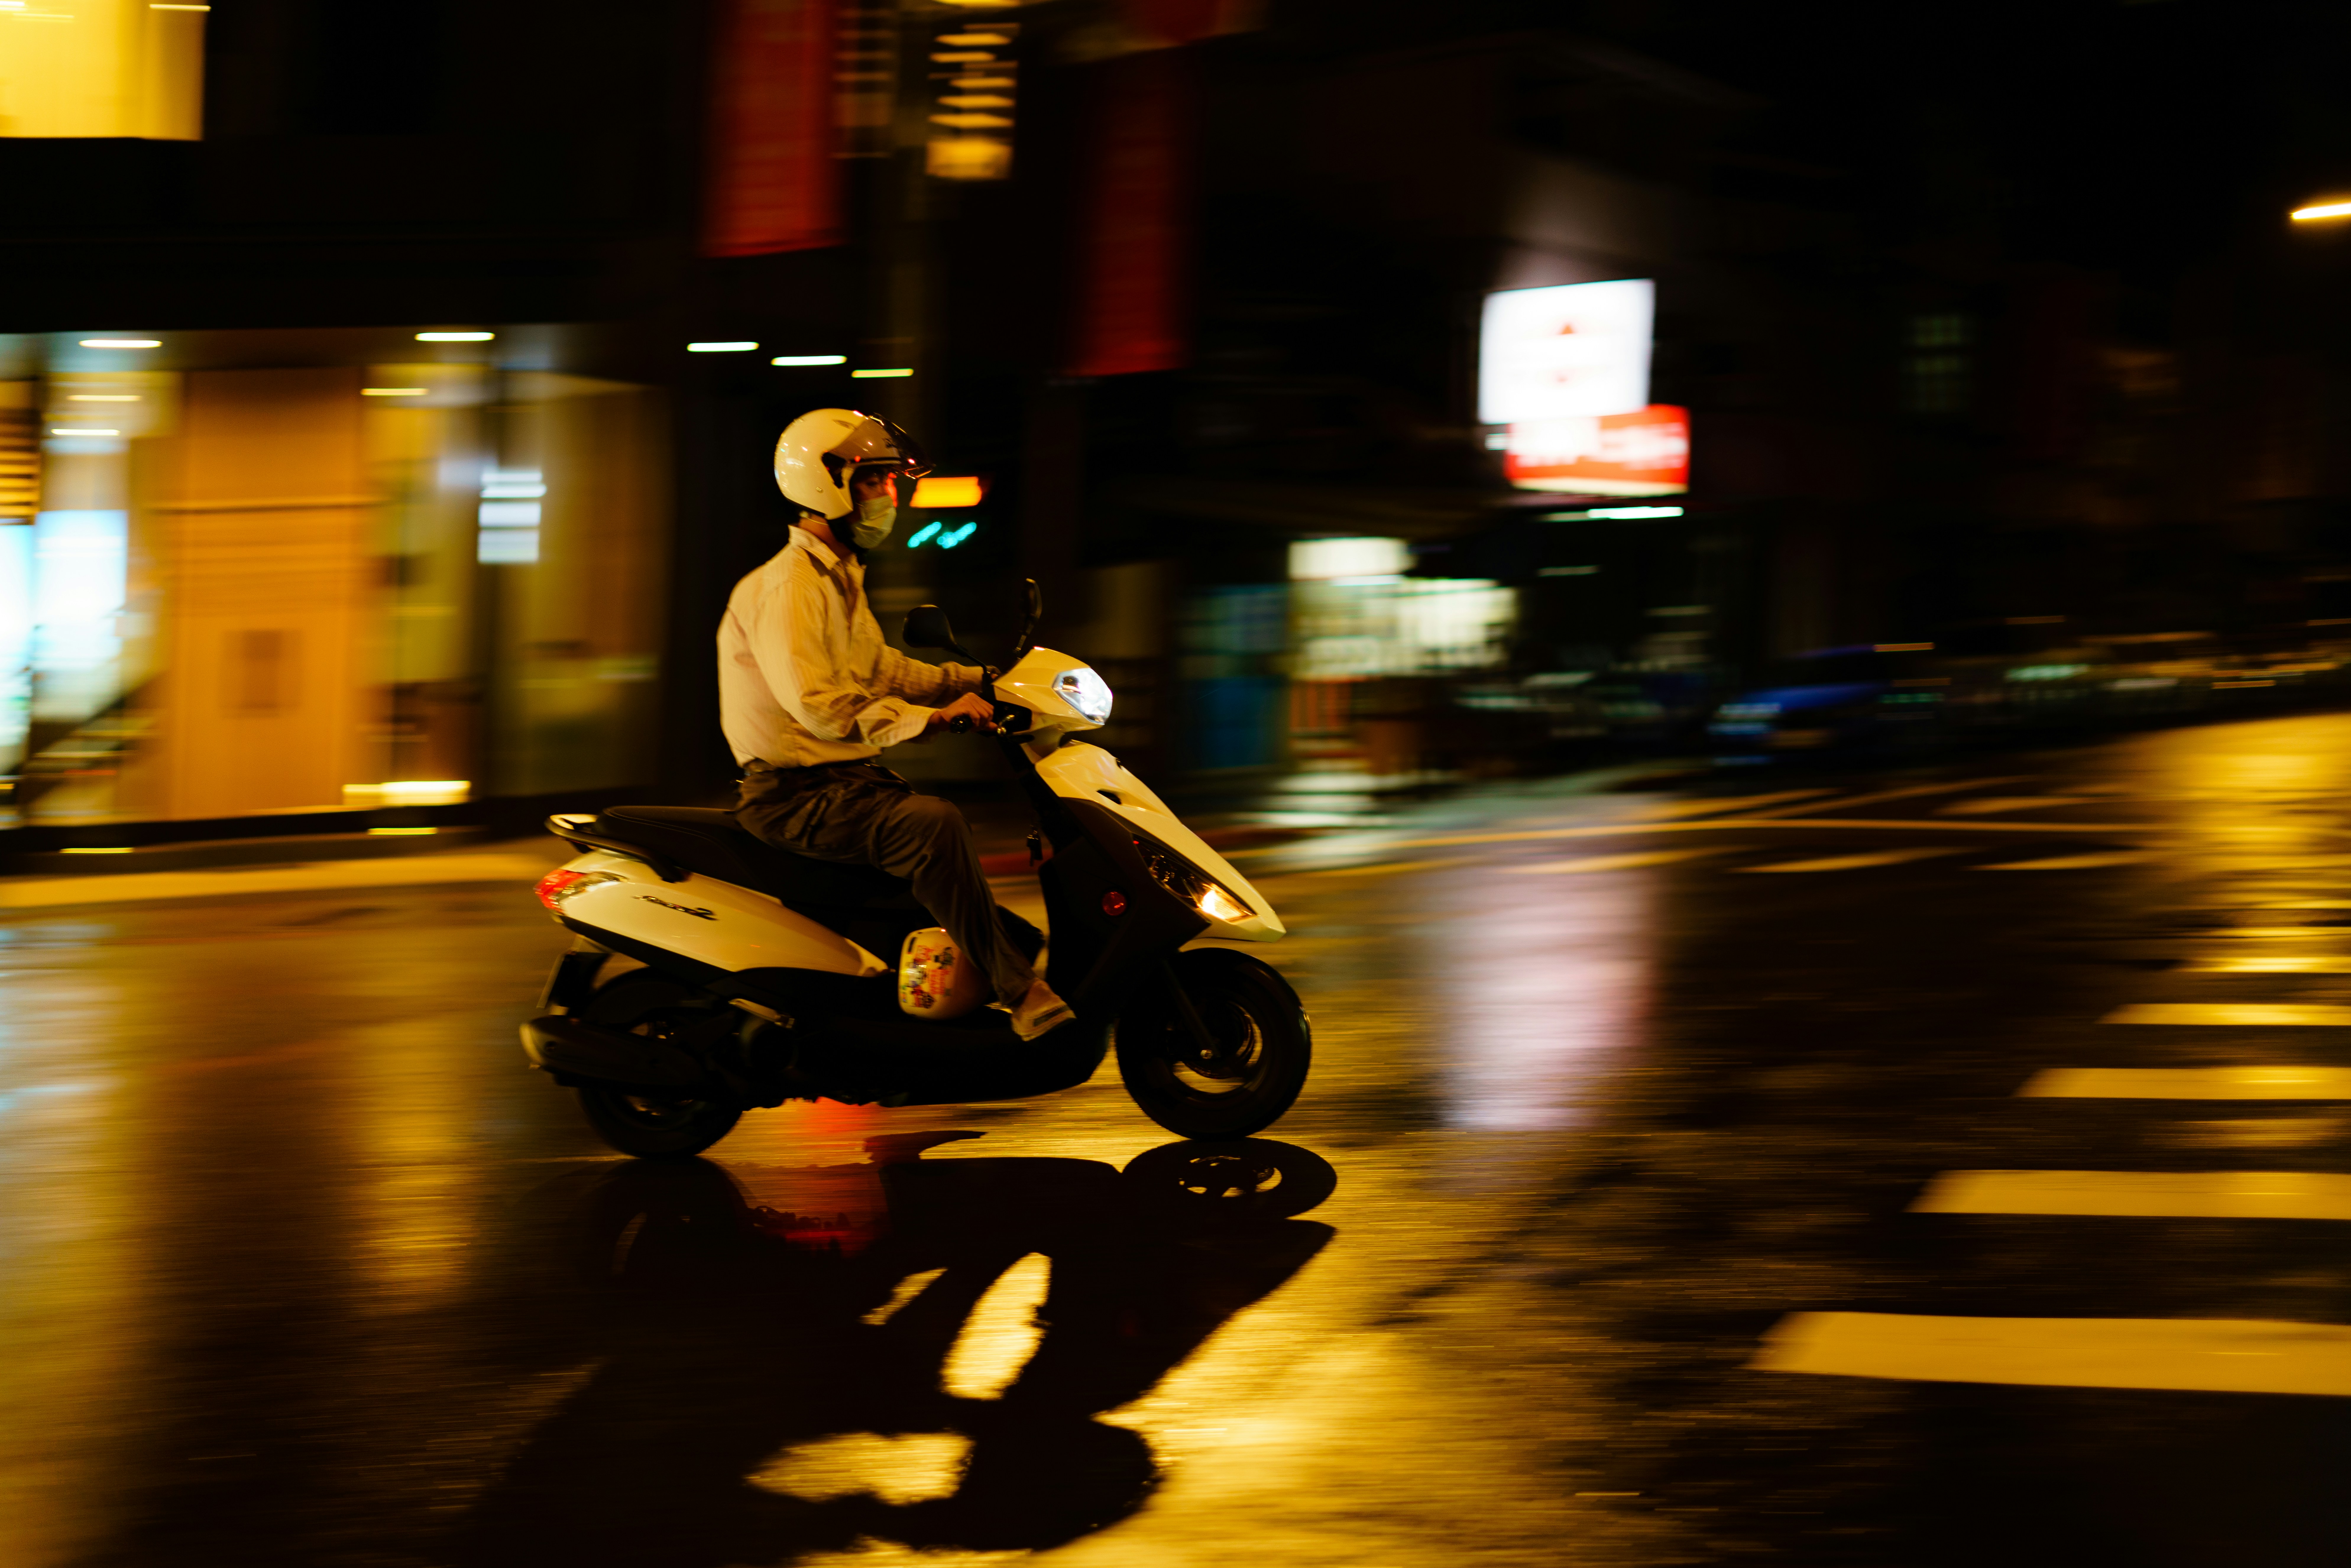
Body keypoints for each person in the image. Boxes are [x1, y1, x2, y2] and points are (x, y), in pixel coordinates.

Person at [718, 408, 1074, 1041]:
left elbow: (880, 670)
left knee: (983, 896)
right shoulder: (789, 589)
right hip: (793, 797)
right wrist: (932, 719)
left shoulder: (837, 579)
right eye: (876, 481)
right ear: (827, 485)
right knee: (933, 826)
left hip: (841, 787)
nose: (891, 497)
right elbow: (822, 706)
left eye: (890, 483)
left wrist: (978, 681)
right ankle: (1021, 993)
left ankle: (962, 991)